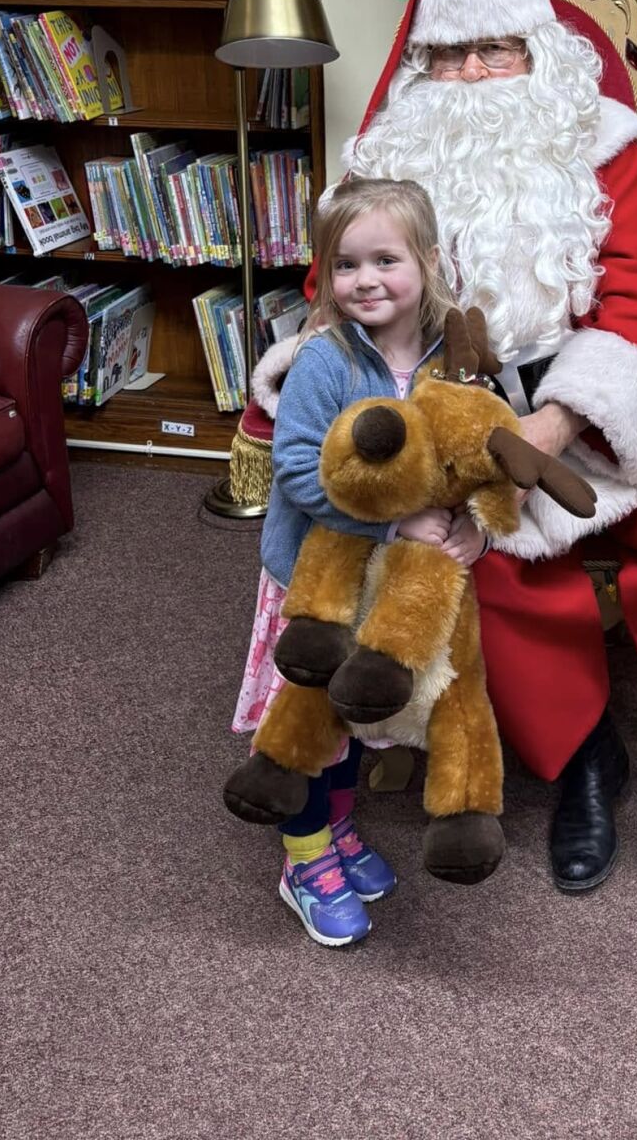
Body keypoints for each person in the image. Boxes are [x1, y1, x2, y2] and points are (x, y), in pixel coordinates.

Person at [334, 0, 637, 981]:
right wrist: (439, 455)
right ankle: (583, 762)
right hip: (462, 434)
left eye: (497, 49)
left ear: (536, 49)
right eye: (452, 56)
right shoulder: (380, 173)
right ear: (419, 71)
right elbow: (354, 324)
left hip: (602, 415)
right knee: (493, 560)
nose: (478, 74)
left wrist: (560, 424)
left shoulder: (597, 142)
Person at [234, 176, 483, 946]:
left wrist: (476, 527)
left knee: (350, 719)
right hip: (316, 585)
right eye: (345, 264)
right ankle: (303, 859)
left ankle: (339, 833)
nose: (365, 279)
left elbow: (477, 457)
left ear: (429, 260)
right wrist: (394, 522)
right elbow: (300, 470)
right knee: (308, 720)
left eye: (385, 259)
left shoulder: (458, 358)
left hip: (391, 592)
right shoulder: (324, 361)